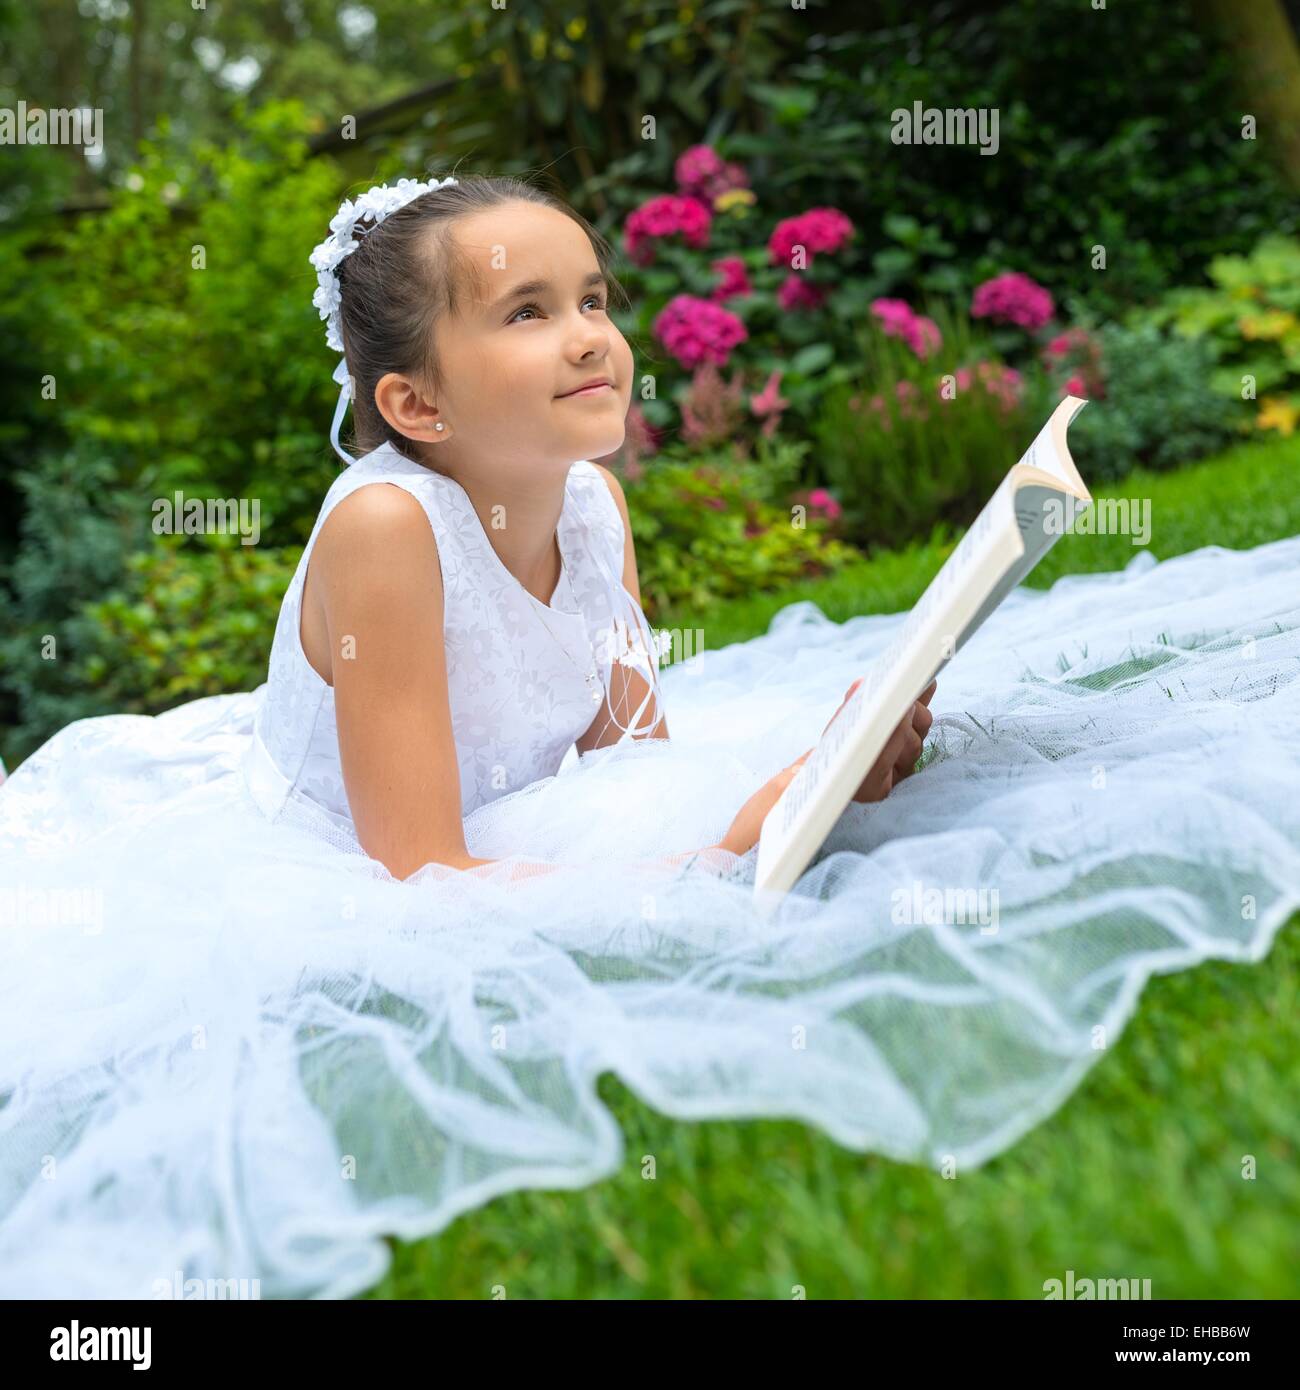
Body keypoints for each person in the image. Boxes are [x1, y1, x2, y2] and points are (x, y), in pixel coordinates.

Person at [2, 172, 1297, 1301]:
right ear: (419, 401)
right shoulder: (386, 532)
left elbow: (632, 761)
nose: (592, 339)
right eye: (529, 312)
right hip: (349, 841)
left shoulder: (591, 505)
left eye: (597, 299)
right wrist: (712, 853)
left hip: (494, 801)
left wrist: (824, 769)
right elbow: (415, 876)